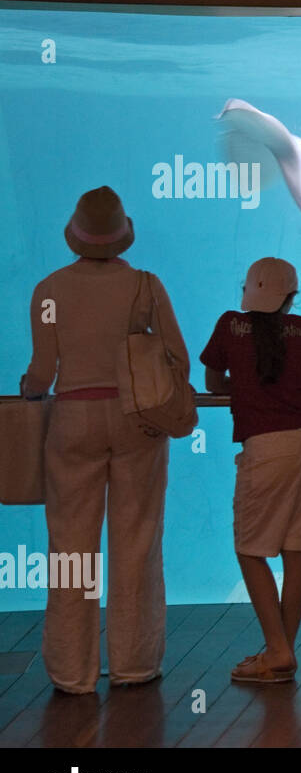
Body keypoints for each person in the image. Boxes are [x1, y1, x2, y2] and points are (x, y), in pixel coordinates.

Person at [20, 186, 188, 694]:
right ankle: (134, 663)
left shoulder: (49, 292)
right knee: (136, 540)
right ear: (122, 236)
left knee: (72, 547)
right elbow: (176, 356)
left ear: (75, 235)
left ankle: (73, 671)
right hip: (136, 419)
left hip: (72, 420)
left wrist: (29, 393)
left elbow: (42, 373)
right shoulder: (146, 287)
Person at [199, 257, 301, 684]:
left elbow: (211, 382)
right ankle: (282, 651)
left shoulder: (229, 326)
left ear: (248, 291)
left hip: (266, 447)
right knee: (296, 549)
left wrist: (242, 388)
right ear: (291, 298)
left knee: (250, 548)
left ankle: (278, 650)